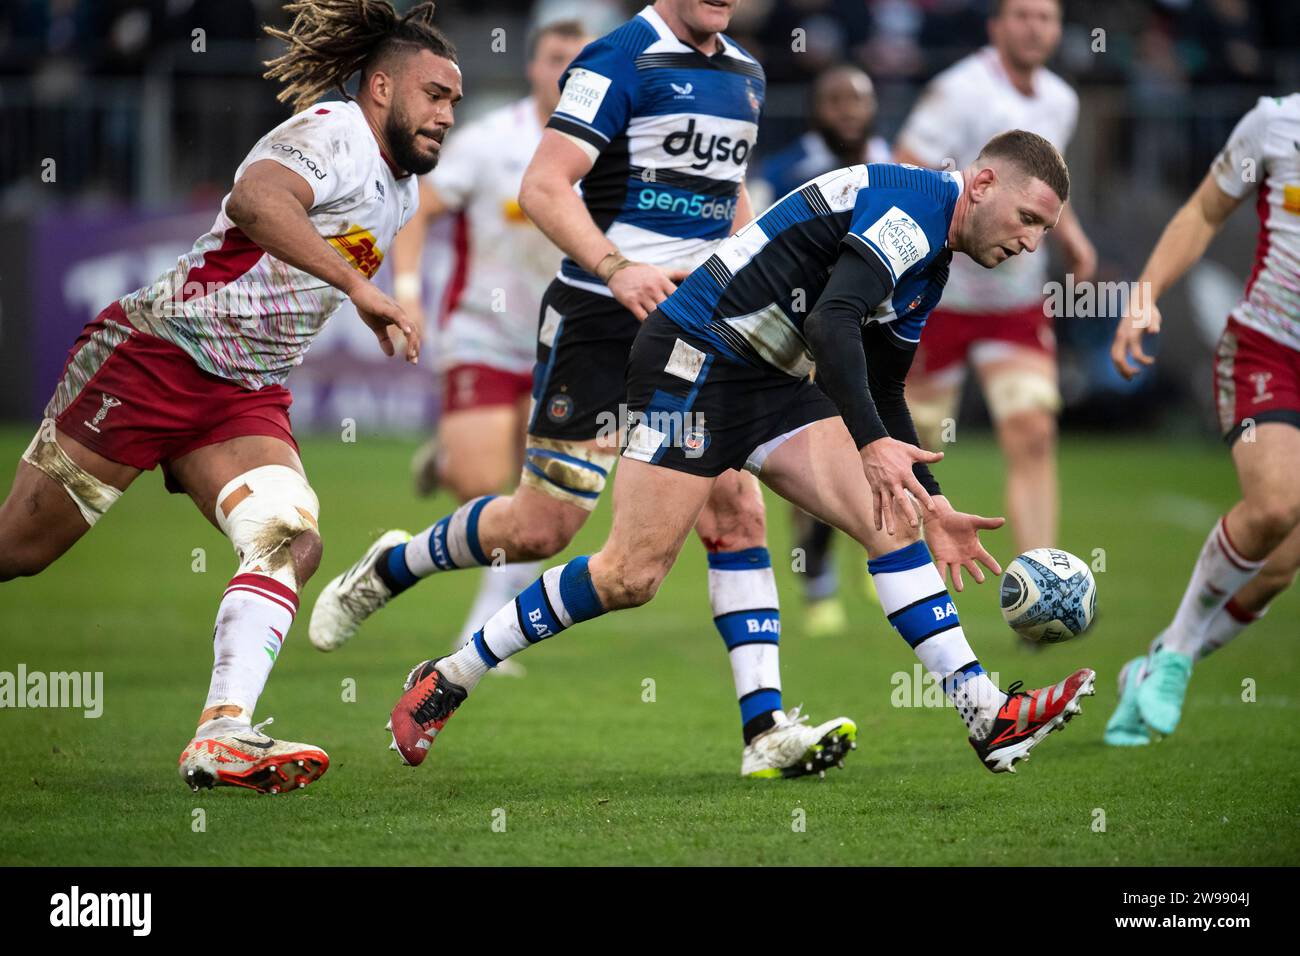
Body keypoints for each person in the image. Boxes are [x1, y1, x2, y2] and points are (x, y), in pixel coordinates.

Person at [387, 131, 1097, 776]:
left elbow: (881, 377)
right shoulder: (911, 211)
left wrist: (930, 499)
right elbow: (832, 319)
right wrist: (873, 444)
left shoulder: (933, 256)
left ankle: (985, 713)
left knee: (894, 518)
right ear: (980, 186)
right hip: (694, 362)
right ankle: (450, 675)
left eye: (1044, 230)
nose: (1032, 243)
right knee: (631, 575)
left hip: (769, 381)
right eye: (1028, 219)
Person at [312, 0, 859, 780]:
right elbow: (544, 187)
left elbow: (727, 196)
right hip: (600, 323)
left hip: (699, 328)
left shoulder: (745, 72)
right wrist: (615, 267)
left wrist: (760, 286)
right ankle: (396, 565)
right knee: (540, 528)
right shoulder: (617, 59)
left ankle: (765, 728)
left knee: (736, 511)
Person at [0, 0, 459, 794]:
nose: (447, 114)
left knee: (290, 537)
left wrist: (364, 297)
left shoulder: (402, 192)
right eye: (433, 94)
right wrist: (359, 286)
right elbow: (255, 202)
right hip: (154, 360)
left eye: (454, 100)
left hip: (240, 397)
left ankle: (222, 734)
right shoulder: (332, 131)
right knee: (18, 552)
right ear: (380, 88)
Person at [377, 20, 589, 674]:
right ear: (532, 67)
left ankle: (484, 633)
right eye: (556, 58)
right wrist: (406, 289)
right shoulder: (493, 142)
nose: (567, 71)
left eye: (581, 61)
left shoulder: (613, 146)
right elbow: (420, 209)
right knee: (480, 490)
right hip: (484, 336)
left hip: (572, 342)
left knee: (542, 507)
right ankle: (454, 456)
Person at [1105, 93, 1300, 746]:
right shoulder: (1277, 123)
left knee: (1278, 564)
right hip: (1267, 350)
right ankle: (1181, 652)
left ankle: (1153, 662)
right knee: (1275, 507)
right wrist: (1144, 296)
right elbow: (1204, 211)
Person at [893, 0, 1097, 578]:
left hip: (1016, 302)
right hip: (940, 297)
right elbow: (906, 166)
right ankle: (894, 558)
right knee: (918, 443)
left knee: (1033, 432)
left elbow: (1047, 188)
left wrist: (1072, 236)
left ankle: (1041, 582)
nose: (1035, 28)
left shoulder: (1062, 99)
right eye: (1023, 15)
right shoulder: (958, 91)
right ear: (997, 26)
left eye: (1047, 18)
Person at [757, 63, 892, 637]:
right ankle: (817, 577)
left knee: (910, 436)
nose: (847, 110)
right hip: (811, 330)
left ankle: (883, 545)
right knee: (823, 452)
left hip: (882, 324)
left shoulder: (895, 163)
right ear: (817, 109)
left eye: (856, 100)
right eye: (835, 100)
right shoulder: (788, 169)